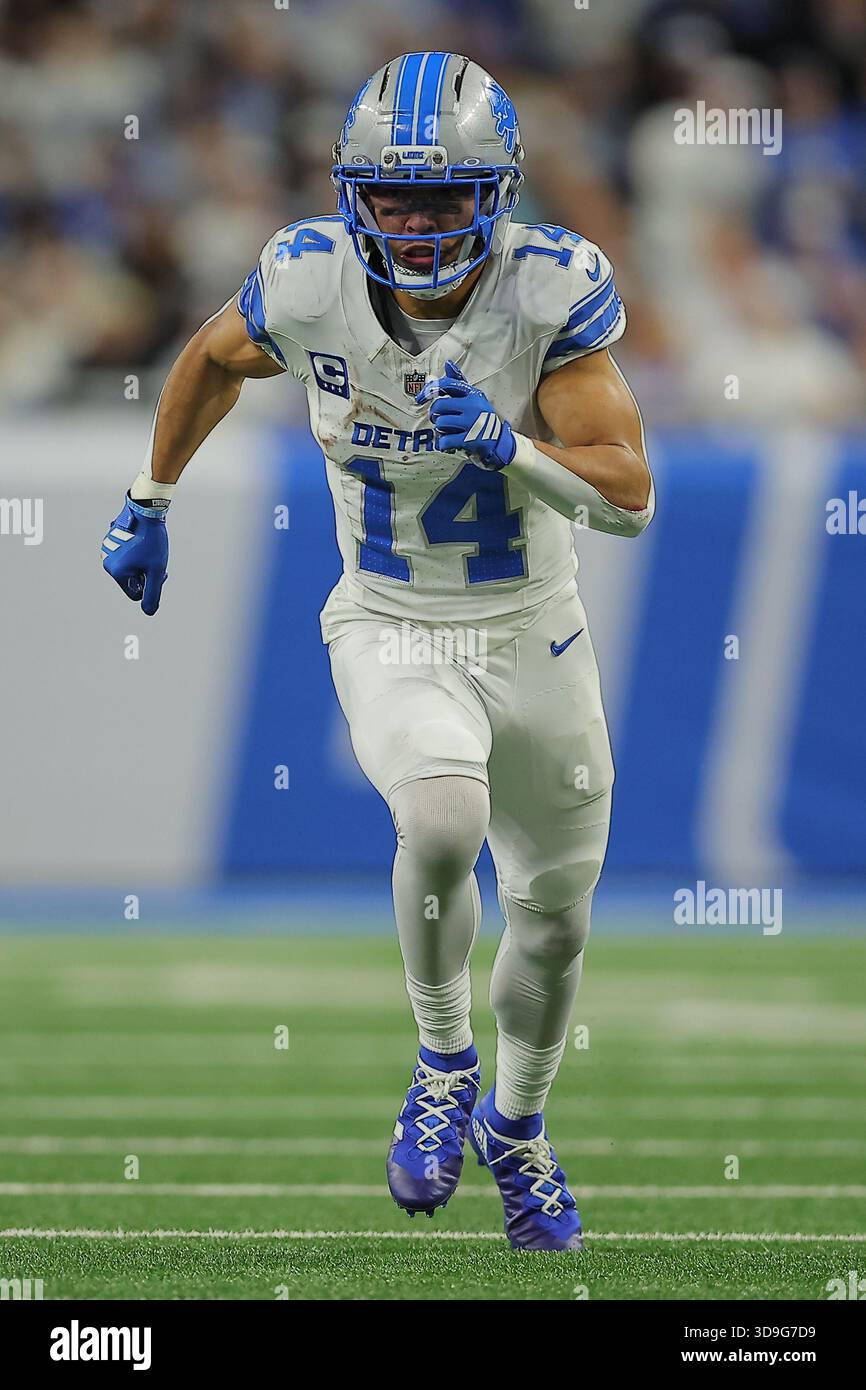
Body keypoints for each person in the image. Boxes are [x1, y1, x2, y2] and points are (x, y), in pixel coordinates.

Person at [101, 51, 654, 1251]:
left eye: (440, 196)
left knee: (554, 922)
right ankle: (443, 1057)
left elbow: (627, 498)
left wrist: (507, 447)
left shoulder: (548, 291)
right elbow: (207, 355)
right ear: (350, 190)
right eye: (388, 196)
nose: (409, 222)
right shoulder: (305, 280)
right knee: (442, 820)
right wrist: (150, 496)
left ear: (494, 194)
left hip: (533, 634)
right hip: (391, 621)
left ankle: (514, 1126)